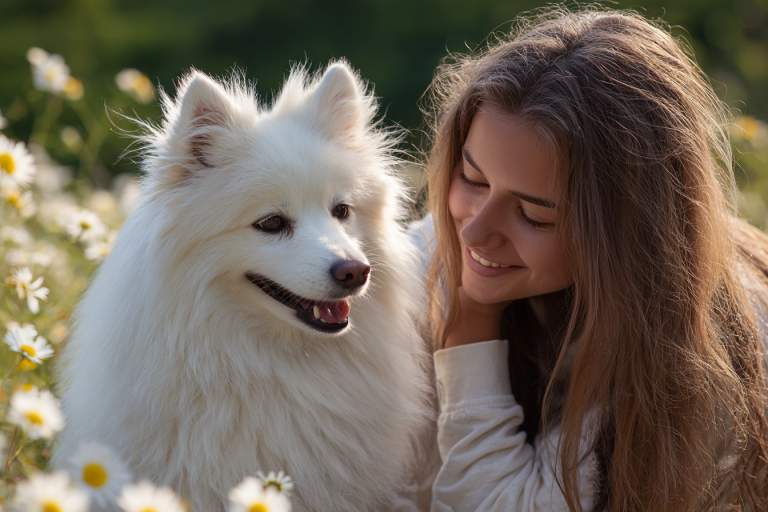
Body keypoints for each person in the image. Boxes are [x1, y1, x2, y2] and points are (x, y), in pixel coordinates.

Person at [408, 6, 768, 512]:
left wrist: (470, 335)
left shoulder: (687, 361)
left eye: (533, 215)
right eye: (472, 178)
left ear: (626, 237)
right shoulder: (466, 241)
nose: (474, 229)